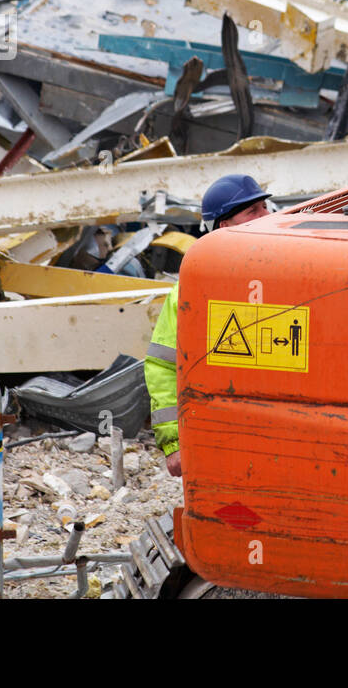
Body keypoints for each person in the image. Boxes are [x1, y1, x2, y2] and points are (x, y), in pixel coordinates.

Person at [146, 174, 272, 477]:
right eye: (252, 211)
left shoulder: (290, 273)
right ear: (224, 227)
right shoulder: (193, 289)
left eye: (265, 207)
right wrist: (173, 443)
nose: (267, 217)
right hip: (220, 435)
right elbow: (163, 366)